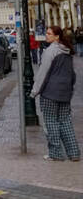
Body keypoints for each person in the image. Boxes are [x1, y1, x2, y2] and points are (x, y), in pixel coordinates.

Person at [31, 24, 81, 163]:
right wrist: (69, 89)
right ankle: (74, 153)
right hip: (65, 93)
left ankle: (56, 154)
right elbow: (72, 75)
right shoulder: (67, 51)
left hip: (50, 93)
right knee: (65, 122)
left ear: (56, 36)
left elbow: (43, 73)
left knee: (51, 123)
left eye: (49, 33)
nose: (46, 35)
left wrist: (34, 92)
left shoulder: (51, 51)